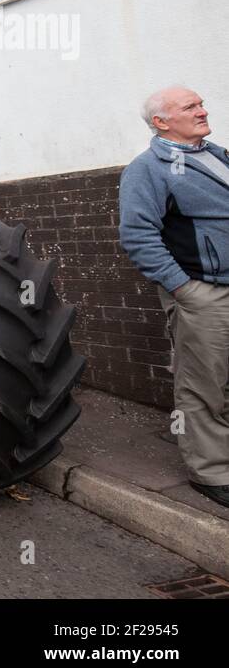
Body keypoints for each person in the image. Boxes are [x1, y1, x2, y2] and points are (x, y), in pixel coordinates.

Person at [120, 86, 229, 509]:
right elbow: (137, 233)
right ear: (162, 122)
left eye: (200, 103)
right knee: (204, 383)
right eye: (190, 107)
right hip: (203, 291)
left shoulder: (217, 156)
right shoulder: (148, 168)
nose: (202, 110)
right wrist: (182, 287)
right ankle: (212, 472)